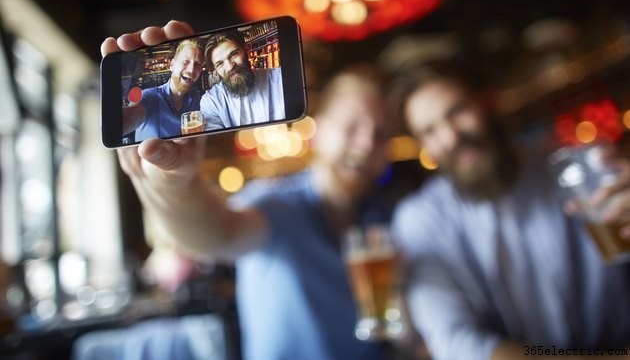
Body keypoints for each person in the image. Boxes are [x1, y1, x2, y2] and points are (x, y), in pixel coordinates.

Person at [100, 20, 399, 360]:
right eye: (352, 126)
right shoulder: (276, 203)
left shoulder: (387, 215)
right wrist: (174, 185)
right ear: (319, 129)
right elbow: (215, 234)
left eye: (381, 133)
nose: (367, 142)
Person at [389, 59, 630, 360]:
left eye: (458, 112)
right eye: (429, 131)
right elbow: (457, 346)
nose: (451, 137)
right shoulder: (421, 220)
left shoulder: (584, 169)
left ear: (490, 100)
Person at [200, 30, 284, 130]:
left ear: (246, 50)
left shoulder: (280, 78)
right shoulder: (211, 101)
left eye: (234, 55)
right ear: (215, 70)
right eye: (220, 64)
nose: (230, 66)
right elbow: (218, 140)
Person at [123, 38, 205, 141]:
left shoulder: (196, 98)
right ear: (172, 65)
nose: (191, 70)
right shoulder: (149, 96)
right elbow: (130, 116)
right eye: (185, 62)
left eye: (197, 64)